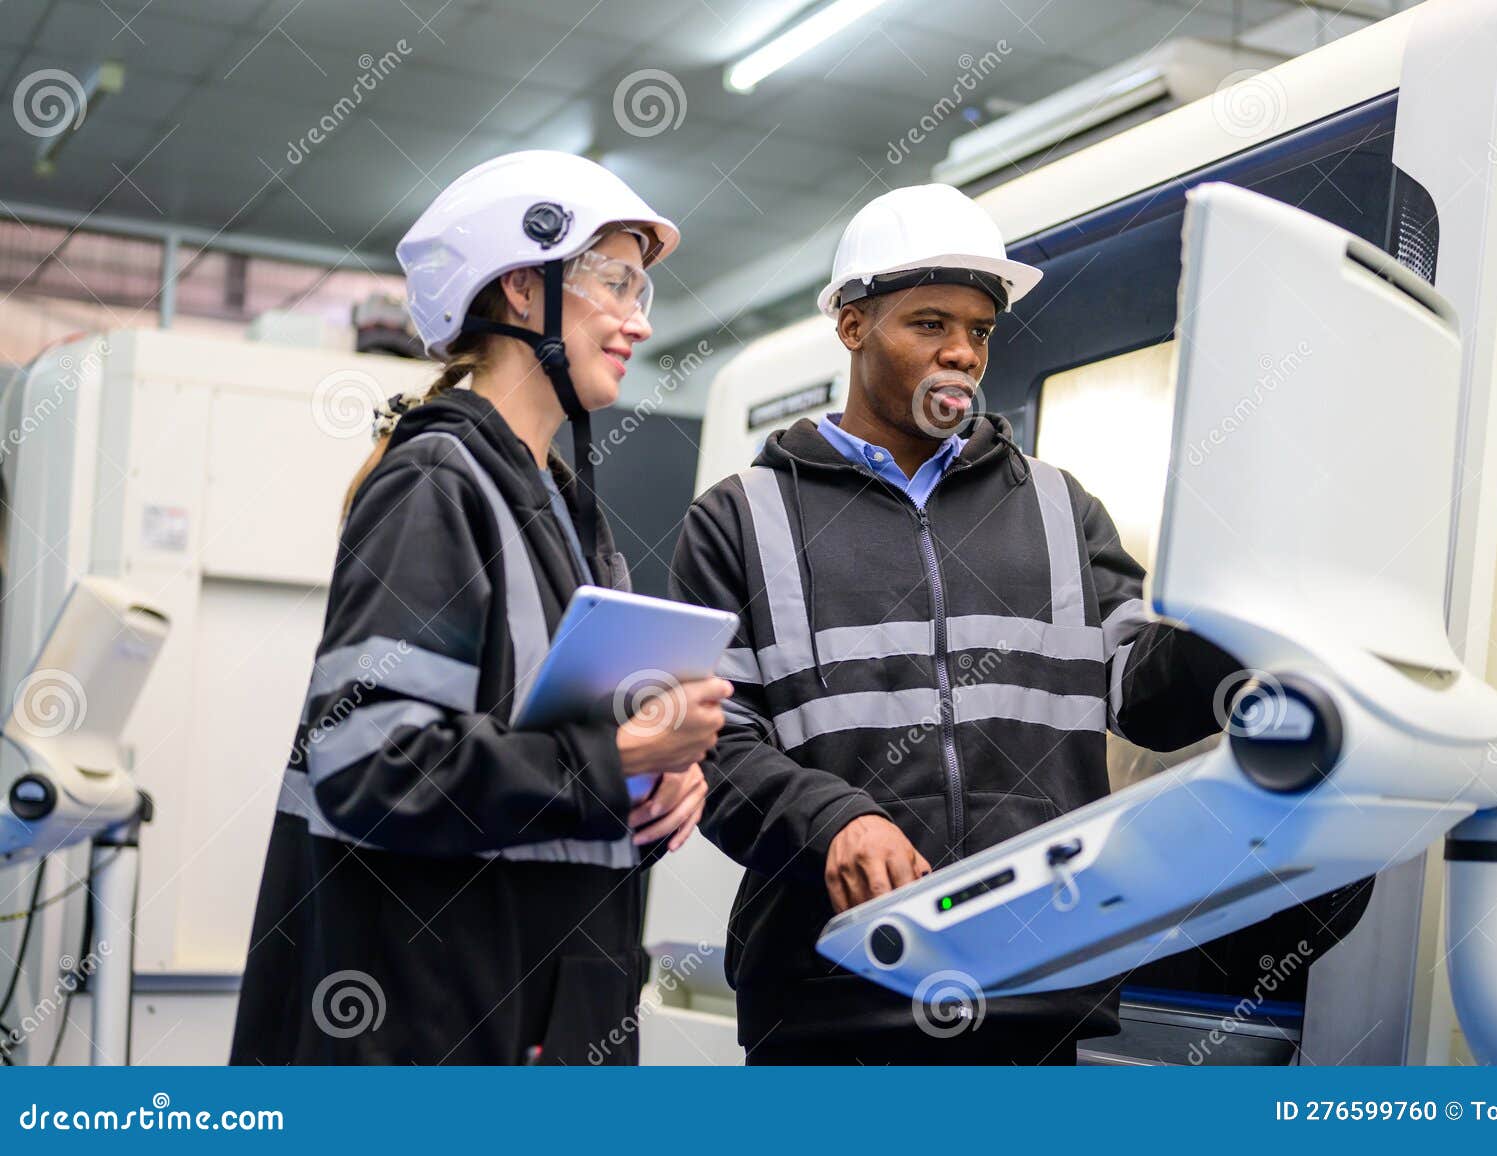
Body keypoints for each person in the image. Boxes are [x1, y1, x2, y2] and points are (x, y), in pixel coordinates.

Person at [669, 183, 1241, 1065]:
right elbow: (705, 739)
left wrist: (1235, 618)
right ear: (853, 326)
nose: (962, 354)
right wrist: (831, 822)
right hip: (831, 1004)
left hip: (1036, 997)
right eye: (930, 324)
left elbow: (1141, 695)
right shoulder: (743, 517)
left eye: (979, 331)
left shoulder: (1059, 507)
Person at [231, 151, 731, 1065]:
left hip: (538, 1023)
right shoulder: (434, 484)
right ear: (521, 290)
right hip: (433, 1041)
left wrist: (650, 785)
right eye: (614, 282)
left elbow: (533, 791)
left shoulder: (566, 513)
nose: (639, 321)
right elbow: (368, 762)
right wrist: (611, 753)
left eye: (642, 289)